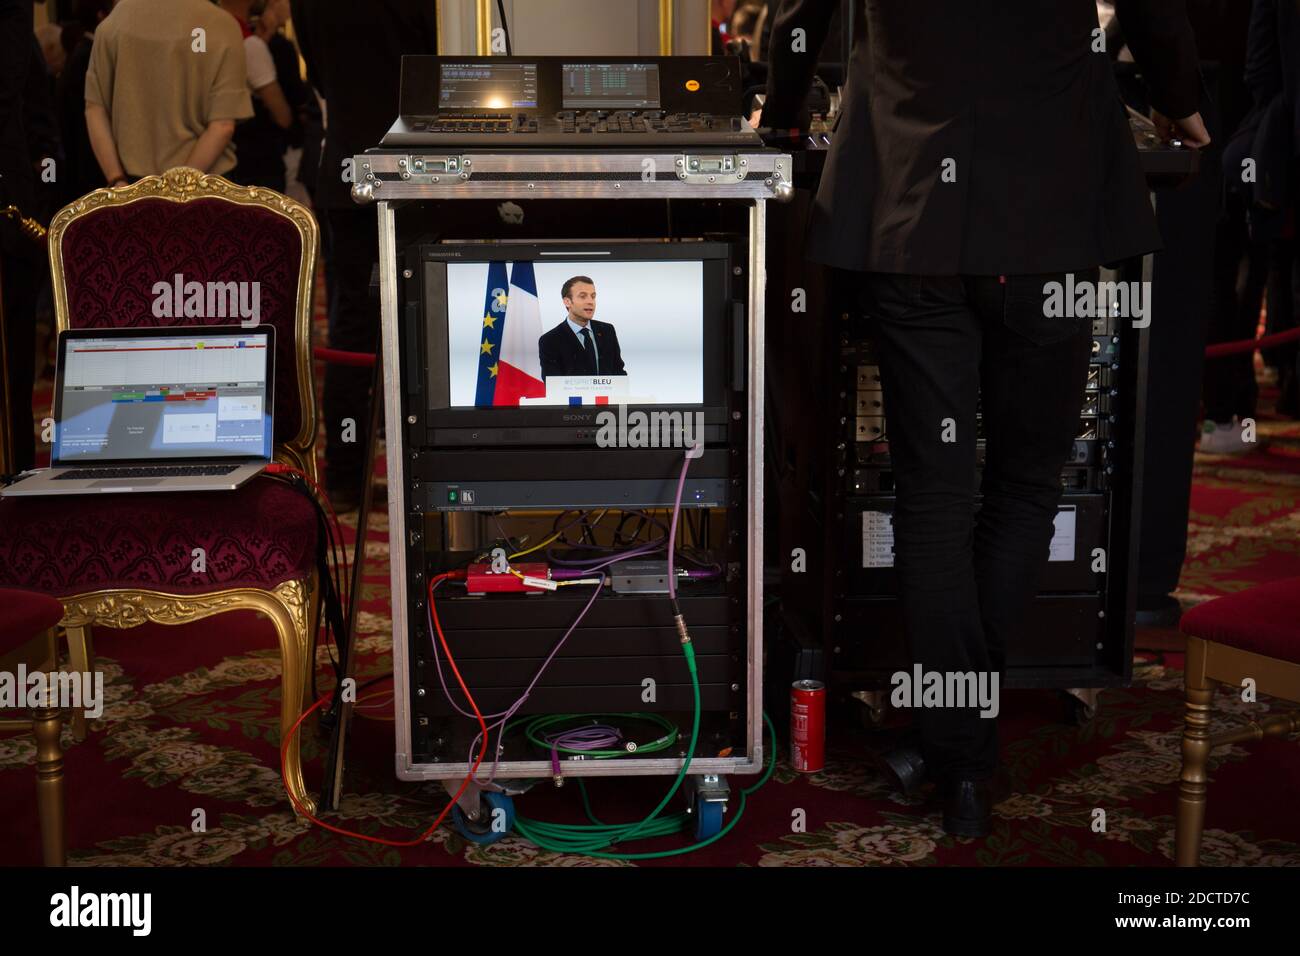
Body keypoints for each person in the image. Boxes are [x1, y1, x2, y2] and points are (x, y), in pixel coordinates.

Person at [762, 0, 1207, 837]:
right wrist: (1180, 99)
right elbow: (1153, 10)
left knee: (934, 497)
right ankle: (962, 742)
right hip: (1050, 220)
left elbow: (800, 14)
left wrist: (782, 110)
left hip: (909, 212)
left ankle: (955, 752)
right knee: (1025, 485)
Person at [291, 0, 438, 512]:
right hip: (418, 164)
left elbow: (321, 77)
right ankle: (424, 478)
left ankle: (346, 478)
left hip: (348, 165)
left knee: (353, 324)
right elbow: (438, 70)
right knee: (425, 319)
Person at [84, 0, 252, 182]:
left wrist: (116, 179)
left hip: (132, 185)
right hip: (206, 182)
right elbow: (222, 126)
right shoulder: (223, 25)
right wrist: (177, 186)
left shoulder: (113, 24)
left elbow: (95, 109)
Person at [225, 0, 302, 190]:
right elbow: (282, 115)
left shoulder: (212, 33)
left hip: (231, 158)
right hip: (257, 163)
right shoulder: (250, 44)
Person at [538, 277, 627, 379]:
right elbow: (553, 385)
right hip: (572, 395)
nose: (590, 301)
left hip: (607, 395)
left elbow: (619, 373)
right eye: (583, 296)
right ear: (567, 302)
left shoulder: (607, 330)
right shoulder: (550, 340)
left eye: (593, 296)